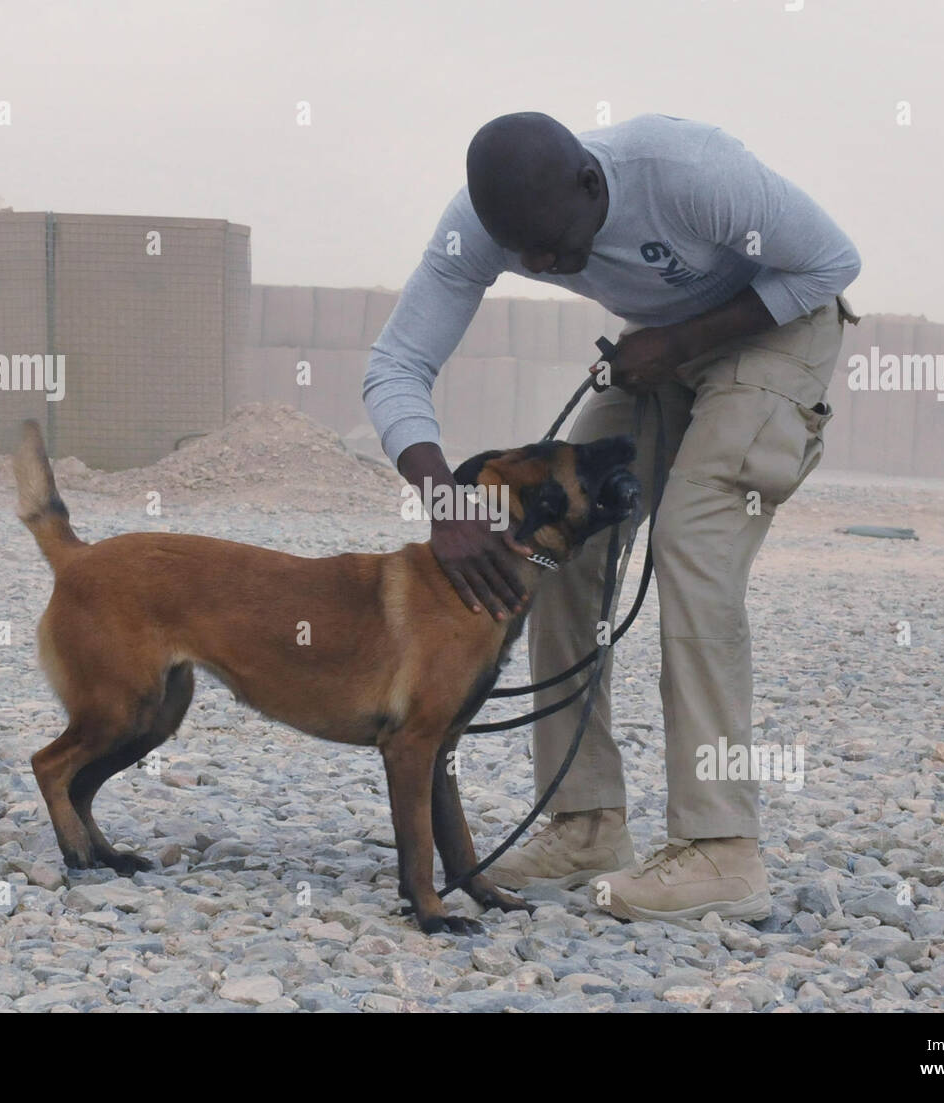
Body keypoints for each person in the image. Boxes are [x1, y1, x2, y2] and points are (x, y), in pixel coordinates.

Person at [363, 111, 860, 922]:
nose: (546, 265)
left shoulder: (691, 175)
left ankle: (721, 850)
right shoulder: (485, 228)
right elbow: (397, 366)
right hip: (662, 343)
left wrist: (684, 338)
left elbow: (832, 264)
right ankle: (587, 822)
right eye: (527, 256)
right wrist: (446, 501)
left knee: (692, 539)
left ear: (593, 184)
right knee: (554, 545)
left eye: (556, 247)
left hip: (776, 328)